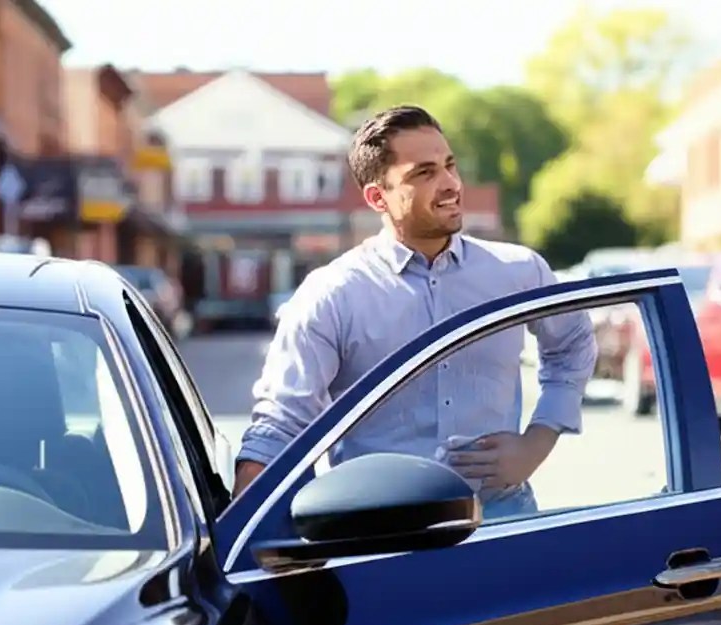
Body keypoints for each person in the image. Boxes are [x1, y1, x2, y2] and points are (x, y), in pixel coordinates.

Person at [233, 105, 596, 519]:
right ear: (377, 197)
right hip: (376, 535)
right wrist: (239, 540)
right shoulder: (333, 294)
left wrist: (537, 442)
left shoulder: (517, 271)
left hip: (503, 522)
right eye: (424, 173)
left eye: (450, 165)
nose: (450, 184)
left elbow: (573, 343)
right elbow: (282, 424)